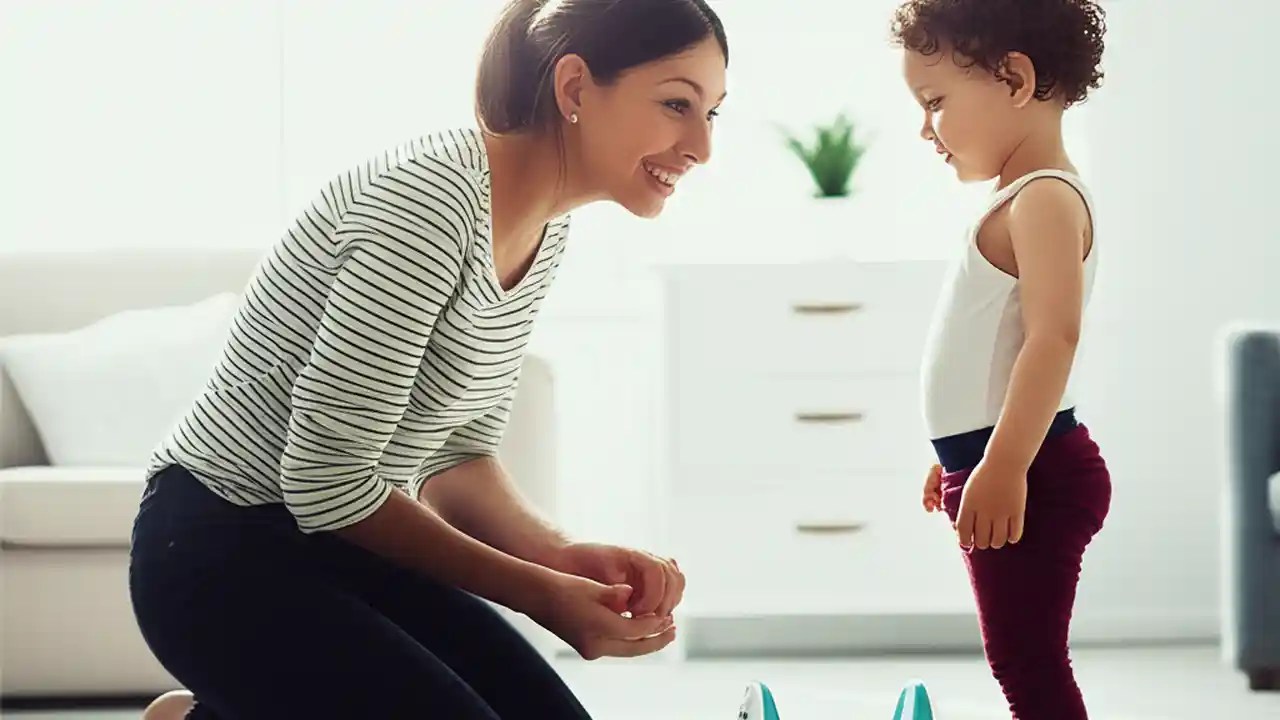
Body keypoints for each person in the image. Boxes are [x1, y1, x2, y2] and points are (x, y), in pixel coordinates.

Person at [130, 1, 729, 718]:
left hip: (348, 551)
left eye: (711, 113)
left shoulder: (543, 228)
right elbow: (325, 480)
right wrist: (539, 595)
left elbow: (457, 454)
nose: (701, 147)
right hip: (221, 550)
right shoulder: (430, 205)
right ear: (574, 87)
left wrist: (561, 556)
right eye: (675, 104)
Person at [894, 0, 1111, 718]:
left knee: (1028, 663)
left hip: (1036, 468)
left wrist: (1005, 461)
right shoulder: (1023, 197)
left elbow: (1054, 338)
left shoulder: (1043, 198)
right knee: (1021, 659)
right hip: (1010, 458)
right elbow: (999, 345)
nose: (925, 129)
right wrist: (960, 454)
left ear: (1014, 79)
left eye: (935, 103)